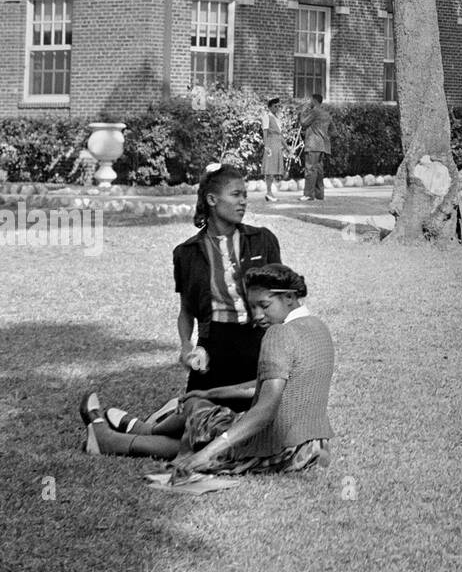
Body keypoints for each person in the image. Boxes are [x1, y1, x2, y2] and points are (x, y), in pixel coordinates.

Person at [80, 264, 334, 475]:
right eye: (252, 307)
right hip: (309, 449)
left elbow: (265, 411)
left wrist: (208, 454)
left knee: (197, 413)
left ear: (289, 297)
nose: (256, 315)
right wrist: (210, 393)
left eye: (264, 305)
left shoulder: (279, 334)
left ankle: (128, 434)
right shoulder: (317, 327)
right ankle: (128, 433)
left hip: (274, 448)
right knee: (202, 408)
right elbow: (267, 387)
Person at [172, 164, 282, 404]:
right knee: (195, 415)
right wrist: (185, 346)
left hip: (259, 343)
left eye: (245, 195)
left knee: (257, 420)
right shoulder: (186, 253)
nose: (243, 201)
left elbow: (282, 297)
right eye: (235, 195)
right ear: (212, 199)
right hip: (214, 346)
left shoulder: (262, 240)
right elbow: (187, 310)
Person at [299, 93, 332, 202]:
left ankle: (308, 195)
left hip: (312, 145)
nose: (309, 102)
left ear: (314, 101)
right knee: (319, 170)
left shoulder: (314, 112)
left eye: (310, 100)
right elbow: (333, 131)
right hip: (322, 146)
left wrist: (302, 111)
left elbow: (303, 122)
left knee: (310, 170)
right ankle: (319, 194)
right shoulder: (326, 114)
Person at [261, 97, 284, 201]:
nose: (277, 108)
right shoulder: (267, 117)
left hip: (277, 145)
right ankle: (269, 192)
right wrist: (266, 146)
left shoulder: (278, 119)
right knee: (269, 169)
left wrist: (287, 147)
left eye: (278, 106)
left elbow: (280, 135)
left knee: (274, 169)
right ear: (270, 107)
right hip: (270, 145)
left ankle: (270, 193)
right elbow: (265, 132)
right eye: (275, 106)